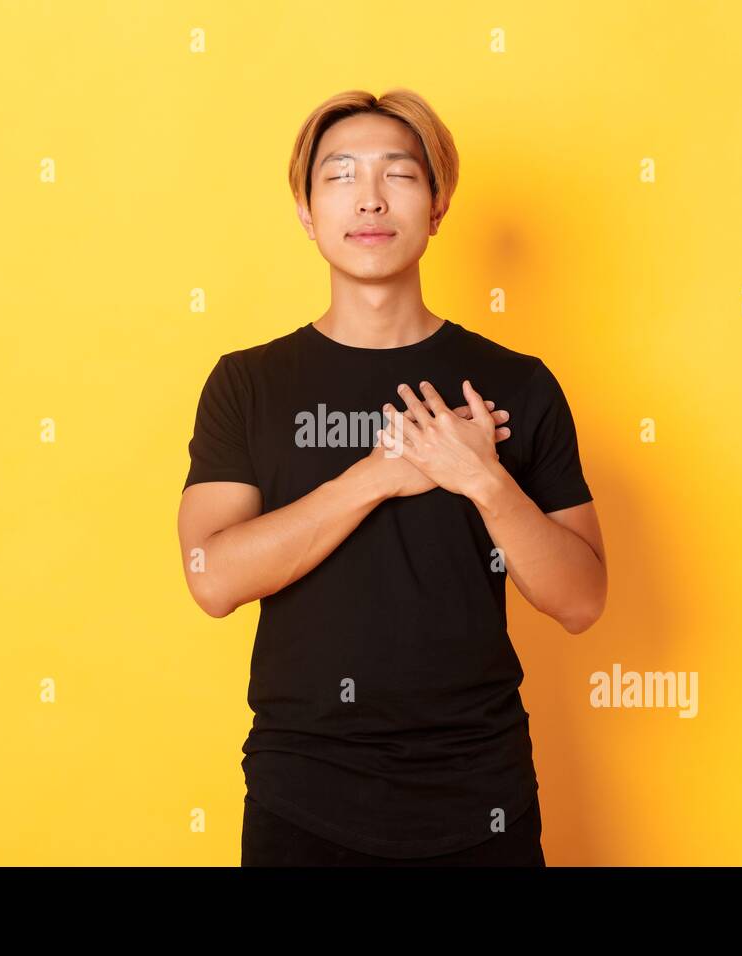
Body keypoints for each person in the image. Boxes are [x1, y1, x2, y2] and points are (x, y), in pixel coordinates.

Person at [178, 89, 607, 866]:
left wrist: (483, 480)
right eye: (339, 175)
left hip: (484, 799)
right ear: (306, 211)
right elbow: (212, 579)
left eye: (398, 175)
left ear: (438, 204)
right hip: (302, 795)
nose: (369, 198)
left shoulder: (518, 383)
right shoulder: (248, 384)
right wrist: (378, 475)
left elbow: (581, 600)